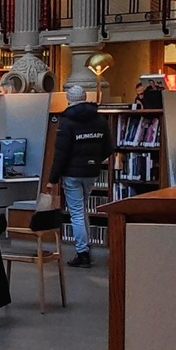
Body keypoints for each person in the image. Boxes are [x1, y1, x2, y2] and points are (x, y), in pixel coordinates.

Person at [48, 83, 112, 268]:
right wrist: (94, 161)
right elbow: (108, 148)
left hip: (72, 174)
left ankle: (82, 252)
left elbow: (61, 153)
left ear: (69, 100)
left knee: (76, 212)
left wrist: (53, 179)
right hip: (91, 172)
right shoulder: (100, 120)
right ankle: (86, 247)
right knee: (83, 209)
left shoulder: (66, 122)